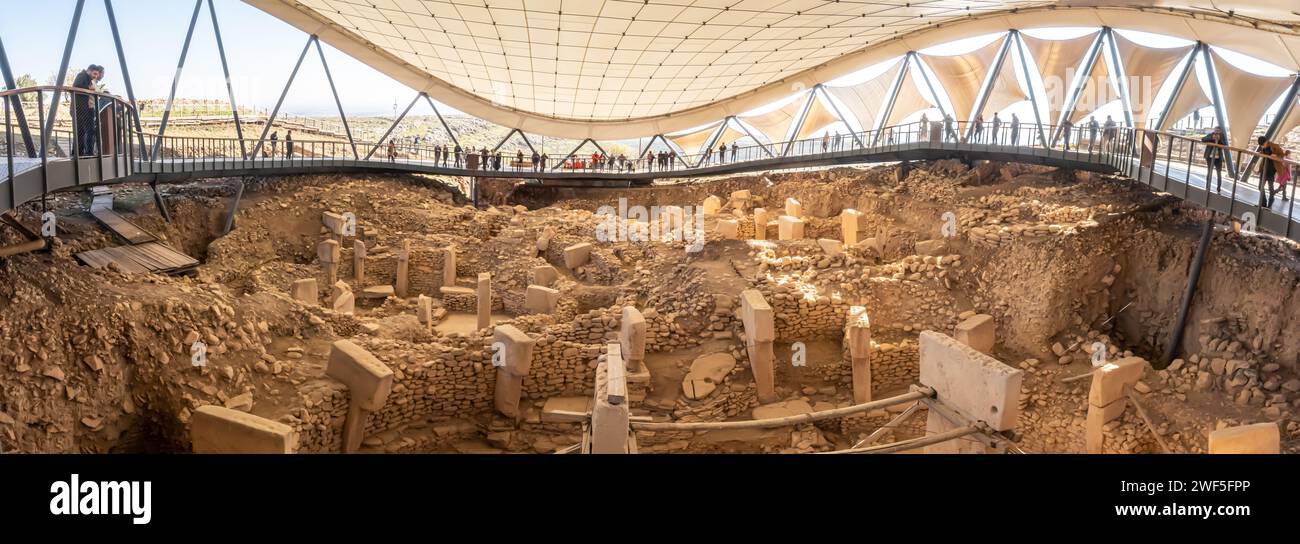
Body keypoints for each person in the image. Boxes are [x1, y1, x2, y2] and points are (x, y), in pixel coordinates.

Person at [72, 64, 105, 155]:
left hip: (84, 109)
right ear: (89, 71)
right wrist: (89, 89)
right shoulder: (82, 75)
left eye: (96, 75)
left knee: (83, 131)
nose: (95, 76)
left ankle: (79, 152)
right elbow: (76, 86)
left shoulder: (88, 79)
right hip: (79, 108)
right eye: (94, 74)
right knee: (80, 131)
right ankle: (77, 153)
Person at [1257, 136, 1284, 208]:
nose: (1263, 146)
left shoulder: (1274, 146)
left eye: (1263, 144)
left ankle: (1270, 205)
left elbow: (1282, 155)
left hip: (1271, 170)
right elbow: (1262, 154)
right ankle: (1264, 203)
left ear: (1266, 141)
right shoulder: (1262, 147)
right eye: (1261, 145)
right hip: (1264, 168)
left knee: (1270, 188)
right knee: (1260, 187)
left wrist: (1276, 155)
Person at [1201, 127, 1227, 192]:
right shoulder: (1210, 135)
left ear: (1220, 131)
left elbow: (1225, 144)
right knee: (1209, 172)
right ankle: (1207, 186)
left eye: (1218, 130)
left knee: (1219, 173)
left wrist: (1219, 139)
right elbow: (1203, 139)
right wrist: (1212, 138)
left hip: (1218, 159)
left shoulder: (1222, 136)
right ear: (1214, 130)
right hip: (1209, 157)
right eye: (1215, 130)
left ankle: (1218, 188)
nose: (1216, 132)